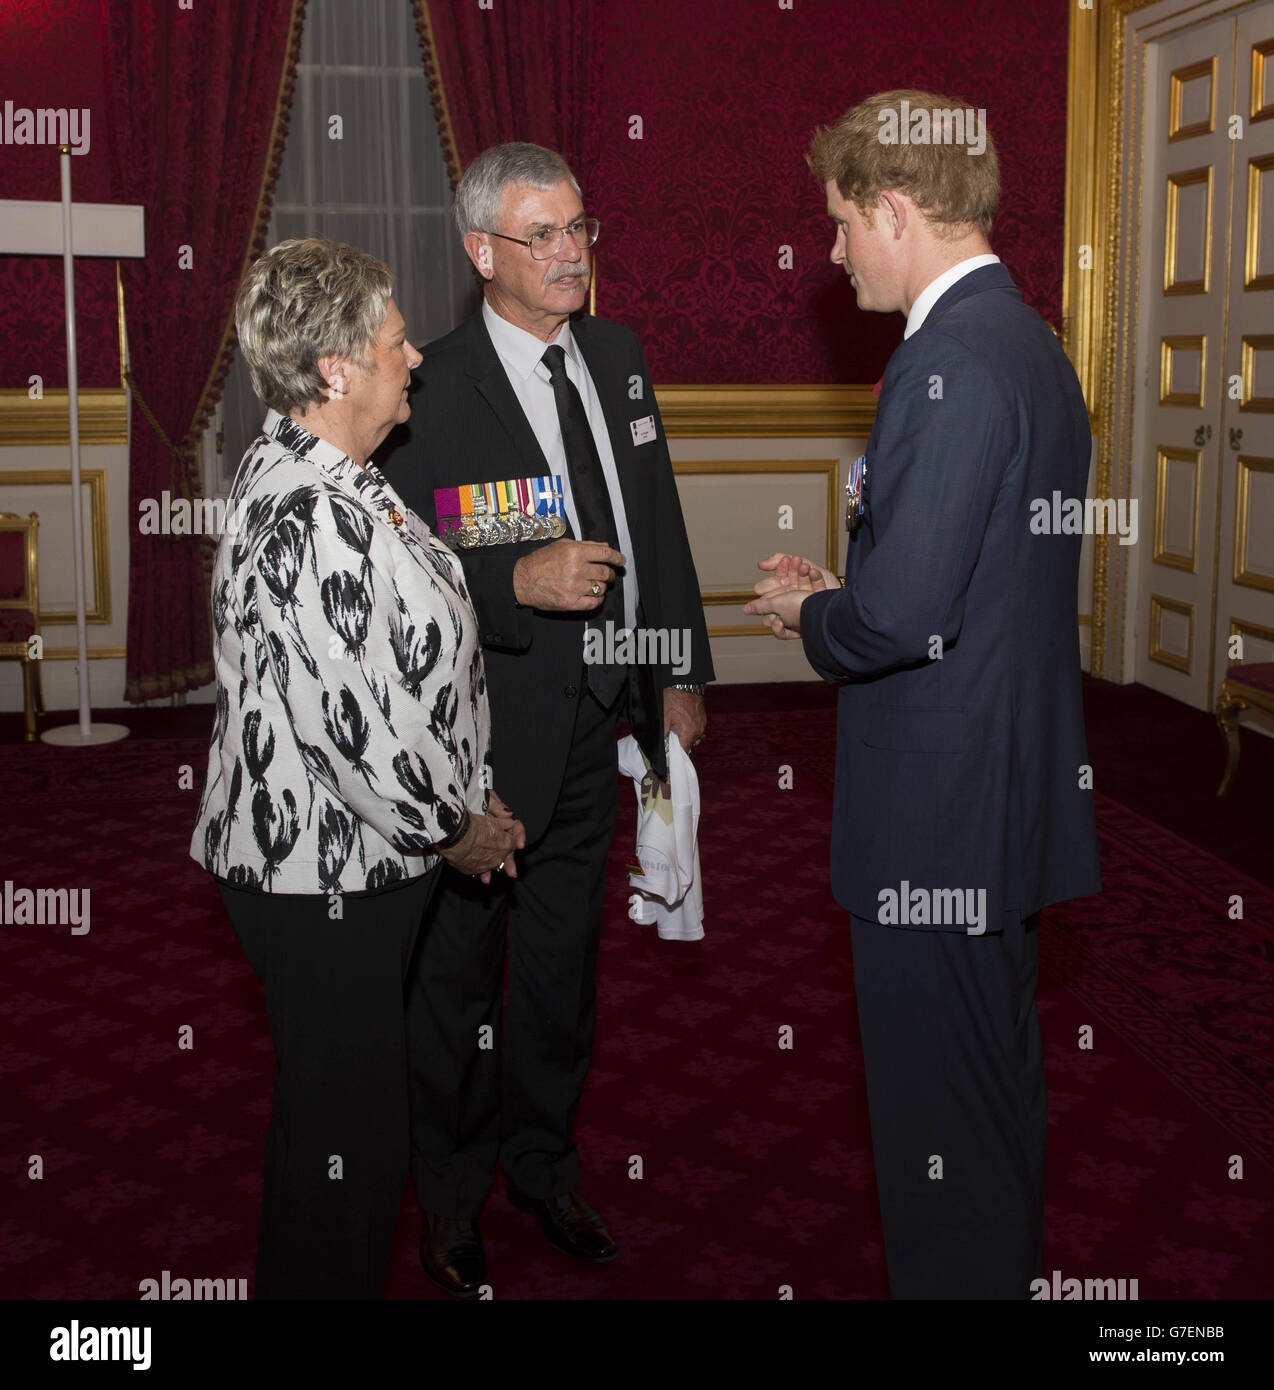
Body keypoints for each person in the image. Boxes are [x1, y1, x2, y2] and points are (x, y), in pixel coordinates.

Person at [745, 90, 1101, 1299]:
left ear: (896, 209)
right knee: (990, 1094)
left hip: (933, 817)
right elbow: (974, 582)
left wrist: (813, 615)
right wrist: (862, 585)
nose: (833, 249)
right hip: (1002, 790)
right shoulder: (1032, 343)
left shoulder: (942, 360)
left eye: (841, 220)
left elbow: (899, 622)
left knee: (936, 1132)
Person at [376, 142, 713, 1296]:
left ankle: (543, 1162)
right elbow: (400, 580)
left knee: (563, 968)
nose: (571, 254)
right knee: (457, 980)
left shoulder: (616, 356)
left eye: (580, 230)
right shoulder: (426, 385)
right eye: (542, 236)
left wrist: (677, 669)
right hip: (480, 749)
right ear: (481, 252)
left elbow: (654, 521)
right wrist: (508, 586)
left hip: (602, 723)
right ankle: (453, 1195)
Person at [191, 237, 525, 1299]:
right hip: (319, 873)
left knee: (334, 1130)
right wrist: (456, 822)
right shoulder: (307, 507)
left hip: (348, 861)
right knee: (350, 1153)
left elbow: (396, 669)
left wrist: (462, 786)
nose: (413, 357)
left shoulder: (337, 477)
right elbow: (351, 727)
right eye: (391, 342)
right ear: (334, 368)